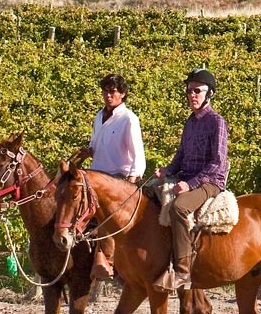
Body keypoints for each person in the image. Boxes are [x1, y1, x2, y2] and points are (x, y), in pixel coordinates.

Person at [154, 68, 228, 294]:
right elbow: (181, 155)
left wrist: (190, 184)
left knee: (179, 207)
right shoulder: (190, 122)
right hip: (186, 177)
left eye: (197, 91)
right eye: (189, 91)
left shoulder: (216, 122)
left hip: (210, 182)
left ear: (209, 94)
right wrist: (167, 171)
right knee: (147, 194)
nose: (192, 95)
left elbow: (217, 162)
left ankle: (183, 271)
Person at [73, 74, 144, 280]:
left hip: (117, 178)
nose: (108, 95)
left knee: (106, 218)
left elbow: (138, 154)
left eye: (112, 92)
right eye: (105, 91)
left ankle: (107, 262)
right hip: (95, 176)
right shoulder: (99, 116)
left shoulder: (129, 119)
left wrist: (131, 183)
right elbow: (96, 145)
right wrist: (88, 151)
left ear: (123, 94)